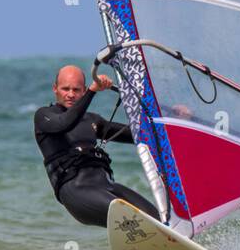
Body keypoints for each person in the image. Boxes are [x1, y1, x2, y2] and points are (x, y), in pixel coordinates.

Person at [33, 65, 162, 226]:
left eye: (76, 90)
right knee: (132, 217)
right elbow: (65, 123)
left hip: (106, 186)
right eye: (65, 89)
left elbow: (140, 135)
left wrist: (171, 116)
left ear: (83, 90)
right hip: (77, 192)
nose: (71, 94)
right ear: (55, 89)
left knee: (158, 219)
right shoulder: (44, 116)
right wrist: (92, 91)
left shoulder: (92, 120)